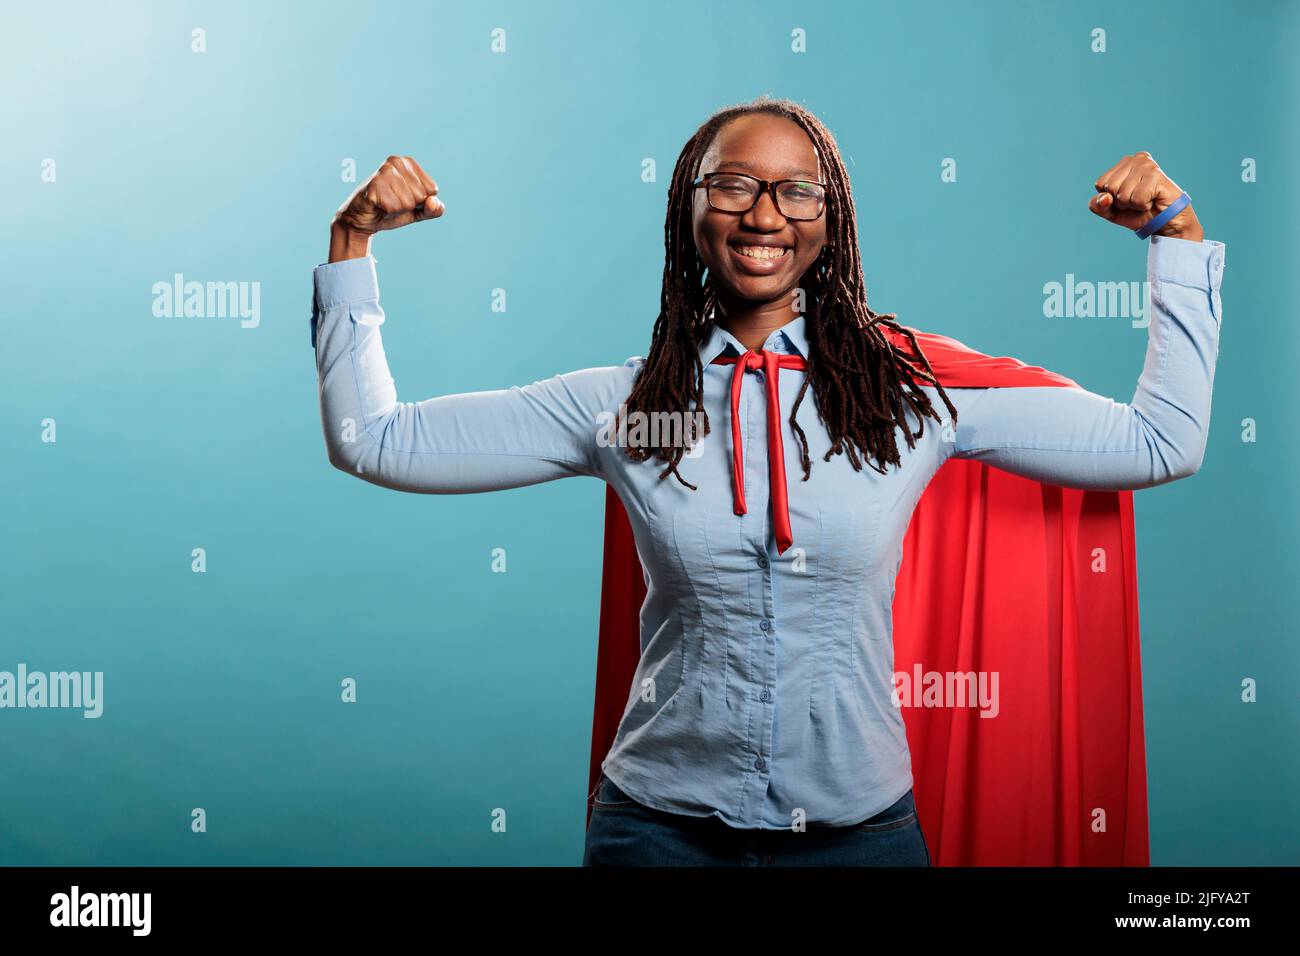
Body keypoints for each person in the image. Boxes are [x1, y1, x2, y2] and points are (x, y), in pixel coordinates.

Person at [310, 96, 1225, 866]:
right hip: (655, 836)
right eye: (735, 185)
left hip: (861, 840)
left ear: (832, 220)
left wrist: (1176, 241)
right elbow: (376, 441)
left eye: (796, 191)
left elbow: (1160, 443)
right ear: (690, 207)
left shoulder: (913, 396)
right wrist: (352, 243)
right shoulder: (629, 406)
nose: (764, 215)